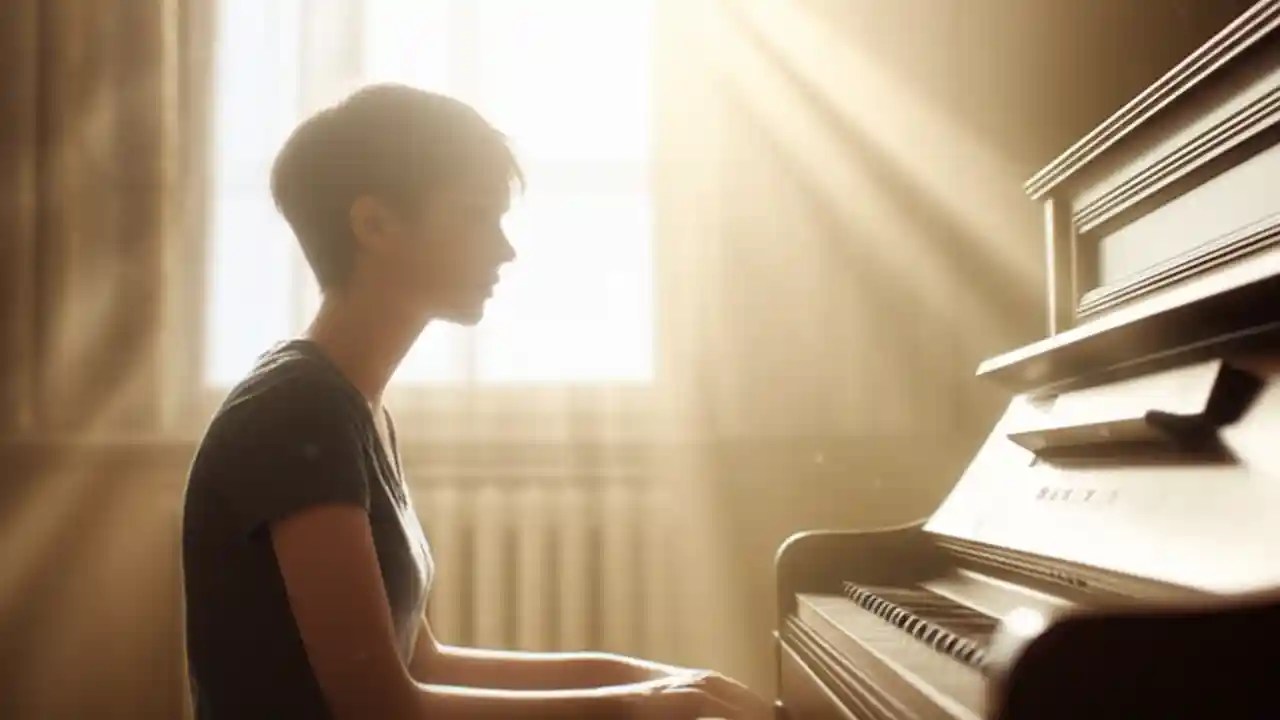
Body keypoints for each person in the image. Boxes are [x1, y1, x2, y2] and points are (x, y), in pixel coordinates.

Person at [182, 83, 770, 720]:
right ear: (374, 224)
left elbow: (421, 661)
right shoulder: (296, 411)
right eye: (475, 216)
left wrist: (649, 679)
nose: (504, 248)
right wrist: (634, 708)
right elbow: (380, 706)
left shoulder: (350, 407)